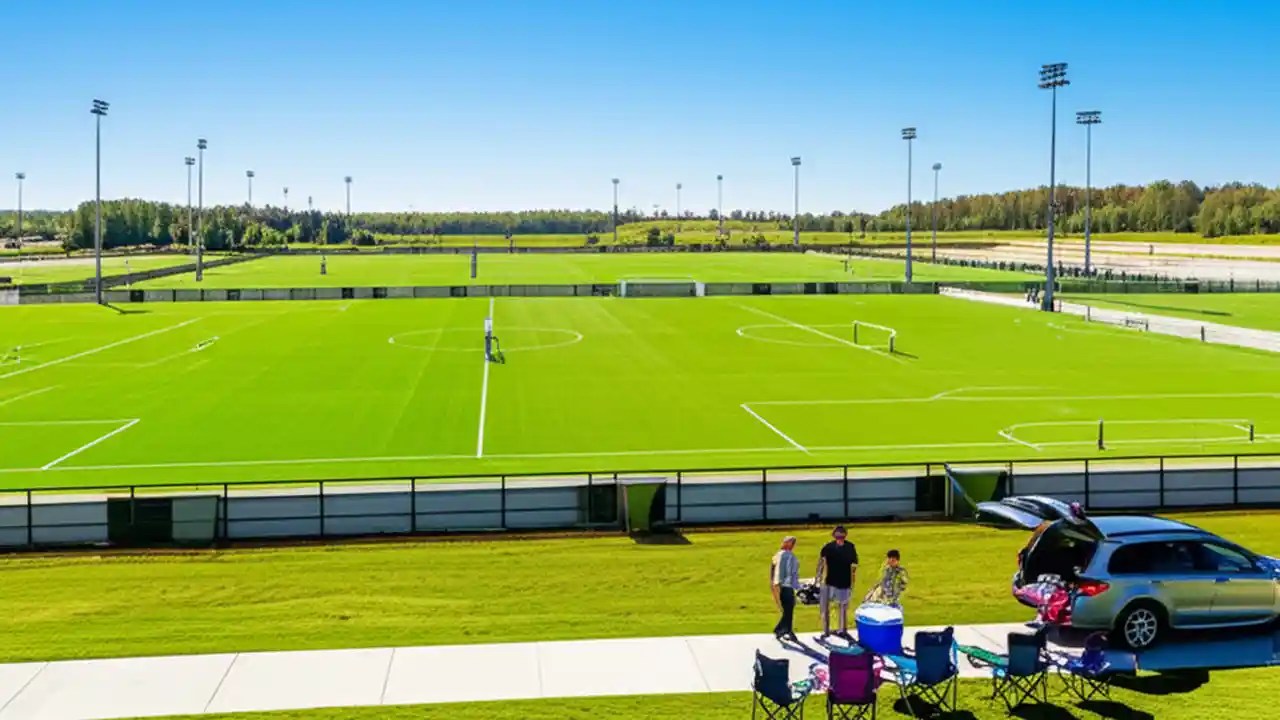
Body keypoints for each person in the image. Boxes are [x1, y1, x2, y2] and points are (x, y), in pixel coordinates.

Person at [816, 526, 858, 640]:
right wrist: (818, 579)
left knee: (843, 607)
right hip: (829, 581)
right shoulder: (828, 547)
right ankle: (826, 630)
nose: (840, 539)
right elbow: (821, 563)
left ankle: (842, 630)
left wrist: (852, 582)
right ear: (834, 536)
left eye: (842, 536)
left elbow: (854, 566)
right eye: (838, 536)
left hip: (844, 582)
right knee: (825, 607)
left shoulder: (850, 547)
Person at [770, 535, 800, 642]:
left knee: (788, 610)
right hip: (785, 586)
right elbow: (782, 571)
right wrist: (778, 584)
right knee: (788, 610)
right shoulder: (784, 555)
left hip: (786, 586)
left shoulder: (779, 555)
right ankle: (779, 629)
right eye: (792, 543)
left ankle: (788, 631)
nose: (793, 545)